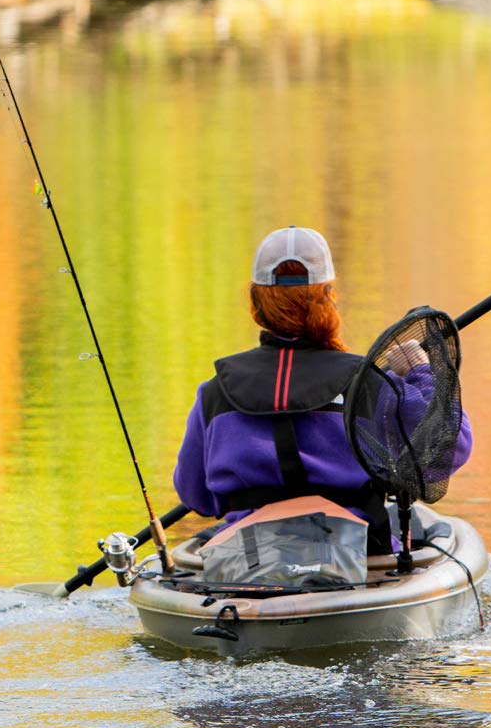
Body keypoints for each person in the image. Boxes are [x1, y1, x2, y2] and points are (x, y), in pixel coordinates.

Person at [172, 226, 473, 554]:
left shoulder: (214, 393)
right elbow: (450, 450)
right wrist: (420, 373)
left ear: (256, 302)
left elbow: (195, 495)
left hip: (250, 556)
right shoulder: (371, 384)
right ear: (328, 298)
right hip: (358, 552)